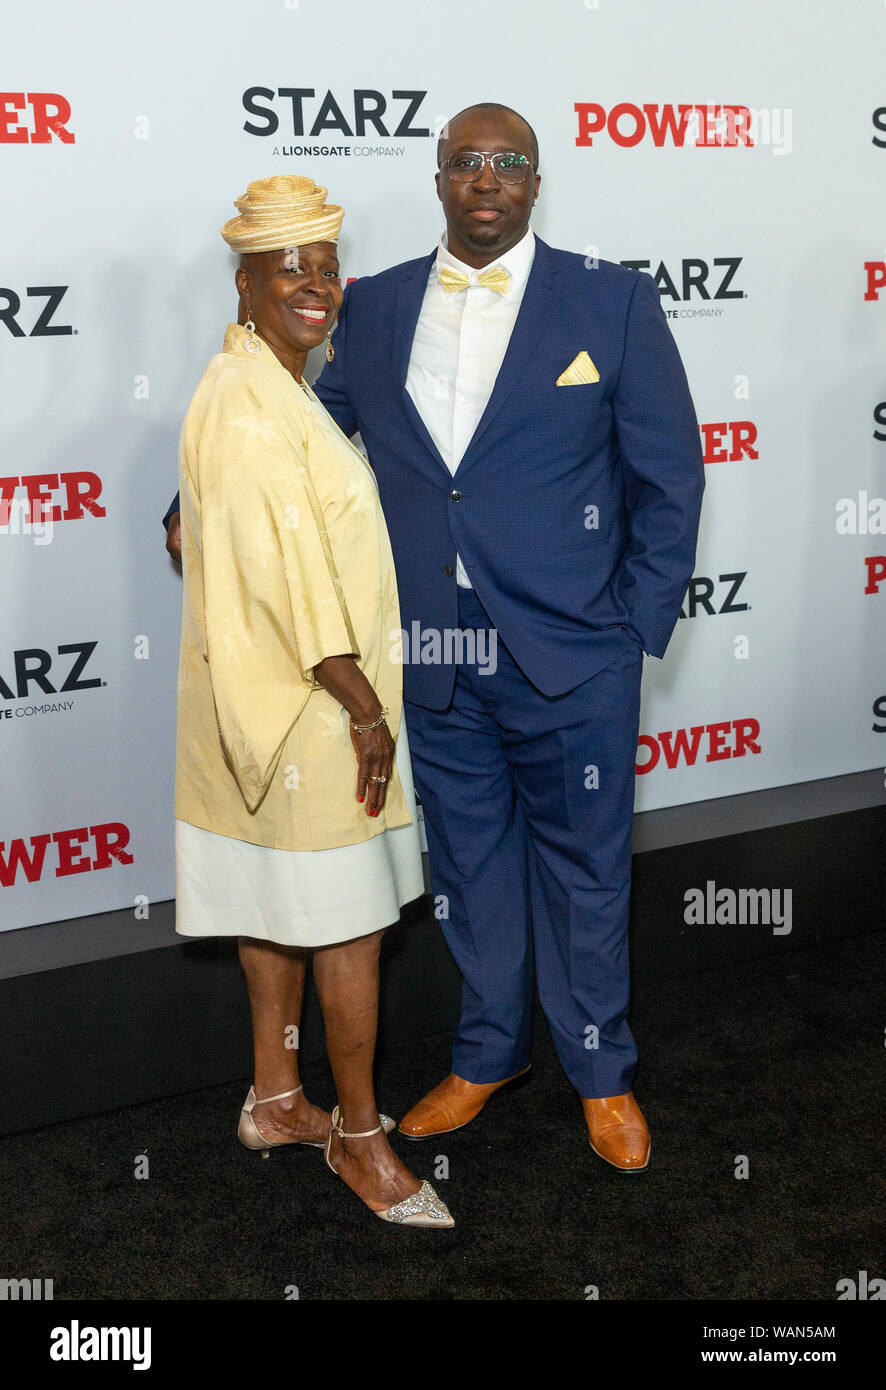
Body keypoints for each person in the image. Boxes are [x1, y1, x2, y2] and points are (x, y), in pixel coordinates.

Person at [166, 105, 705, 1172]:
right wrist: (186, 502)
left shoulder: (612, 299)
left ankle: (602, 1072)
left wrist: (629, 628)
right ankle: (487, 1052)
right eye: (467, 162)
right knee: (468, 867)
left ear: (537, 181)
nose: (488, 179)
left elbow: (667, 476)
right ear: (439, 179)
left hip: (571, 653)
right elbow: (290, 422)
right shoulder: (376, 305)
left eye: (509, 162)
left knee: (588, 871)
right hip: (431, 658)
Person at [173, 174, 452, 1226]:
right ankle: (360, 1139)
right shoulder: (246, 405)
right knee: (344, 929)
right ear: (243, 282)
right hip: (309, 710)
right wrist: (366, 708)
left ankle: (277, 1098)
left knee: (277, 912)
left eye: (326, 267)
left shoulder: (270, 384)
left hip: (266, 712)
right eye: (291, 269)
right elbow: (286, 580)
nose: (317, 286)